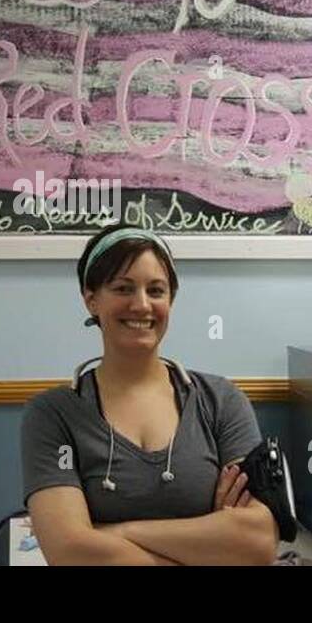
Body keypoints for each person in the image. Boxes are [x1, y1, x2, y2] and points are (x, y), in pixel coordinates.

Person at [19, 223, 280, 565]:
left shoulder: (222, 402)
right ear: (91, 299)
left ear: (171, 299)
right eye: (123, 288)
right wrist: (209, 544)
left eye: (156, 290)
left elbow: (257, 541)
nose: (141, 305)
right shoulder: (52, 415)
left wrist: (113, 533)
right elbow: (70, 552)